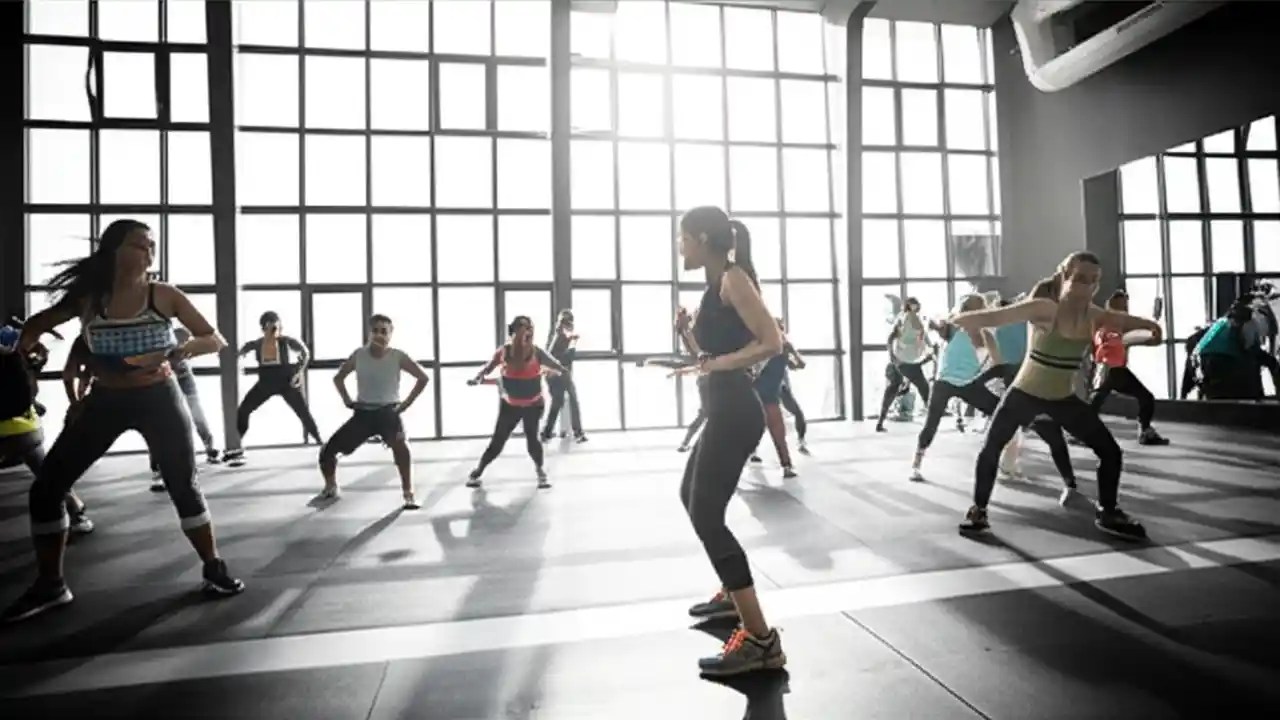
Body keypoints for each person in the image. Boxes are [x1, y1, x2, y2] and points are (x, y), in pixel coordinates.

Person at [2, 219, 242, 624]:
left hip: (160, 400)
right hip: (106, 401)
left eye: (152, 246)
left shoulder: (163, 295)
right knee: (46, 489)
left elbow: (214, 339)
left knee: (183, 485)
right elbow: (36, 327)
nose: (150, 253)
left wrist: (174, 352)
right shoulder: (89, 299)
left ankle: (213, 566)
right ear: (114, 250)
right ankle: (51, 584)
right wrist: (27, 352)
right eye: (140, 245)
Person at [951, 251, 1159, 540]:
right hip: (1024, 393)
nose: (1086, 286)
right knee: (991, 447)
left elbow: (1128, 326)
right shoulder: (1045, 309)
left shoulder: (1096, 317)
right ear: (1064, 277)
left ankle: (1108, 511)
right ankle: (978, 511)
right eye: (1079, 278)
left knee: (1110, 452)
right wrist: (960, 319)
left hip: (1062, 398)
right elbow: (998, 316)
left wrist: (1152, 330)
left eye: (1092, 281)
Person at [673, 207, 786, 676]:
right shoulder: (715, 283)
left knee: (706, 514)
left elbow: (772, 341)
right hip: (722, 407)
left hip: (737, 411)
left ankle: (761, 640)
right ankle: (731, 592)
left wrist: (716, 365)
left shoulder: (734, 279)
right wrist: (687, 337)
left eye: (683, 239)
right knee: (690, 497)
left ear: (701, 238)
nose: (680, 248)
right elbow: (709, 358)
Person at [908, 295, 1082, 504]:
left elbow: (998, 365)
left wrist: (1010, 386)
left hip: (970, 383)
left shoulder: (987, 336)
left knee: (1004, 415)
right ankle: (916, 464)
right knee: (931, 425)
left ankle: (1005, 463)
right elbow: (935, 325)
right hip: (944, 384)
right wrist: (929, 323)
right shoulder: (954, 330)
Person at [319, 314, 430, 509]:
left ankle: (408, 494)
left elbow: (423, 378)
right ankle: (330, 486)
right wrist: (347, 400)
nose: (379, 335)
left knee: (402, 450)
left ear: (390, 335)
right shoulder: (359, 355)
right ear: (369, 333)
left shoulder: (398, 356)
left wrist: (405, 405)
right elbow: (339, 378)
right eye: (375, 331)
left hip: (388, 414)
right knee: (328, 451)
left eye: (384, 331)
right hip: (363, 414)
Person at [0, 326, 94, 537]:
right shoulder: (10, 341)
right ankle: (77, 511)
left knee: (47, 475)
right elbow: (38, 356)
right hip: (26, 430)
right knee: (49, 475)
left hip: (18, 430)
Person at [466, 316, 568, 490]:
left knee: (532, 440)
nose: (526, 333)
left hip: (533, 405)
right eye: (522, 329)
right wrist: (478, 378)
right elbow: (487, 368)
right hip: (510, 405)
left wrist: (554, 372)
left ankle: (541, 472)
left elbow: (560, 368)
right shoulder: (503, 352)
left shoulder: (537, 352)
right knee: (497, 442)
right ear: (513, 333)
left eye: (529, 329)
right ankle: (478, 471)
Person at [222, 311, 321, 467]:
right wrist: (236, 358)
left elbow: (305, 353)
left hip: (286, 381)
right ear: (263, 328)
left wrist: (297, 372)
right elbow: (239, 353)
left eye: (276, 326)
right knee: (244, 410)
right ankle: (236, 443)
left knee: (303, 411)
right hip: (265, 382)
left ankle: (320, 442)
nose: (274, 330)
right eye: (270, 326)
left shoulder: (287, 341)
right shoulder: (256, 344)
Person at [1088, 290, 1169, 445]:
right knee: (1098, 401)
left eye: (1125, 303)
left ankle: (1145, 431)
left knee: (1097, 401)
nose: (1125, 307)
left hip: (1110, 369)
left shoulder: (1116, 324)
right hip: (1110, 369)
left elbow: (1136, 339)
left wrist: (1153, 335)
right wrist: (1152, 328)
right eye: (1122, 303)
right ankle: (1145, 431)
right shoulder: (1110, 320)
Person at [746, 318, 797, 478]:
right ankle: (742, 460)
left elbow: (798, 365)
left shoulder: (783, 349)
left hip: (770, 397)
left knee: (778, 432)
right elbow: (750, 369)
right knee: (750, 431)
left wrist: (792, 351)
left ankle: (786, 465)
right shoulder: (762, 348)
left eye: (781, 329)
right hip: (756, 395)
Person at [875, 297, 933, 432]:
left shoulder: (912, 320)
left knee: (894, 389)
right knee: (923, 388)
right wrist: (892, 357)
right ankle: (931, 422)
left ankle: (880, 422)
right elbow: (892, 338)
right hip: (905, 362)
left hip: (905, 361)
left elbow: (921, 339)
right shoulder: (904, 320)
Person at [541, 309, 587, 443]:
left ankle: (547, 433)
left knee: (559, 402)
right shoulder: (559, 336)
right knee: (570, 400)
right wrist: (573, 344)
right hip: (557, 375)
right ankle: (577, 432)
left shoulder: (559, 334)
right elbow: (566, 357)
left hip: (557, 374)